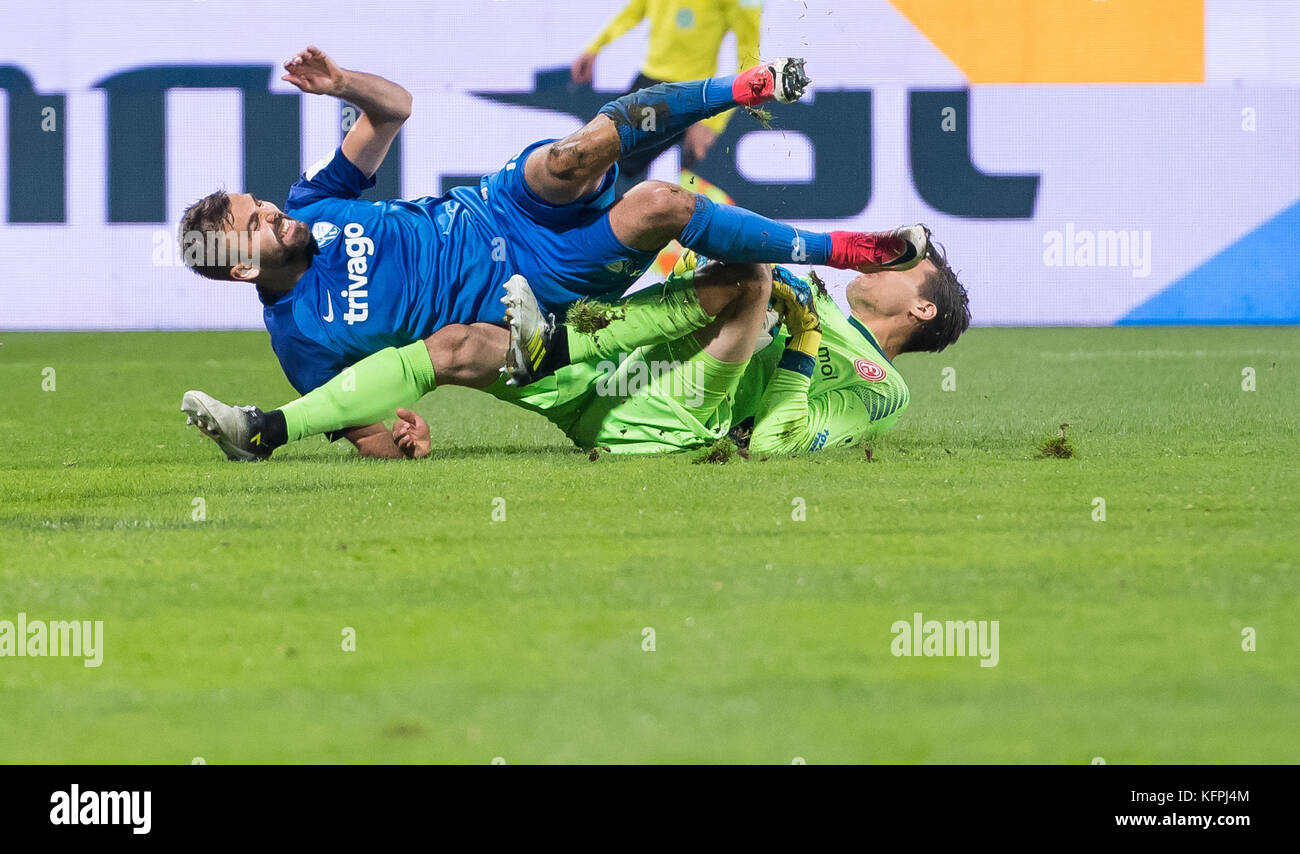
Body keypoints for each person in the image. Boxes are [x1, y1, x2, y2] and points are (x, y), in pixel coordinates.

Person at [178, 47, 929, 458]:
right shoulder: (303, 338)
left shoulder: (312, 201)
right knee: (660, 205)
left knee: (578, 154)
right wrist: (405, 436)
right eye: (258, 223)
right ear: (243, 267)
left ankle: (737, 86)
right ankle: (840, 249)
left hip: (497, 205)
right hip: (529, 286)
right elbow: (371, 429)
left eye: (260, 204)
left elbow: (395, 108)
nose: (274, 212)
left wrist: (341, 82)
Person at [185, 238, 970, 460]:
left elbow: (772, 442)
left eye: (906, 267)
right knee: (456, 345)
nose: (887, 263)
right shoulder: (819, 299)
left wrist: (797, 348)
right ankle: (266, 430)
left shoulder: (883, 388)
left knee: (753, 272)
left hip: (667, 421)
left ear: (922, 306)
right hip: (608, 376)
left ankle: (556, 339)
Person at [571, 0, 763, 188]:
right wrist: (595, 47)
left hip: (686, 96)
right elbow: (634, 9)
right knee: (602, 159)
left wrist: (712, 121)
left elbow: (749, 59)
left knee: (608, 162)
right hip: (648, 86)